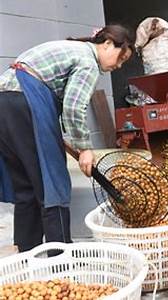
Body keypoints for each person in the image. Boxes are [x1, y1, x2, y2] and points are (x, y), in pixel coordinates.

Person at [0, 25, 134, 252]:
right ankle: (61, 257)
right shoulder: (88, 60)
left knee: (26, 187)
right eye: (121, 58)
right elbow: (74, 107)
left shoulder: (72, 49)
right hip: (27, 103)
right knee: (53, 182)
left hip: (5, 103)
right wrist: (85, 148)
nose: (117, 66)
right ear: (108, 43)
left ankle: (26, 255)